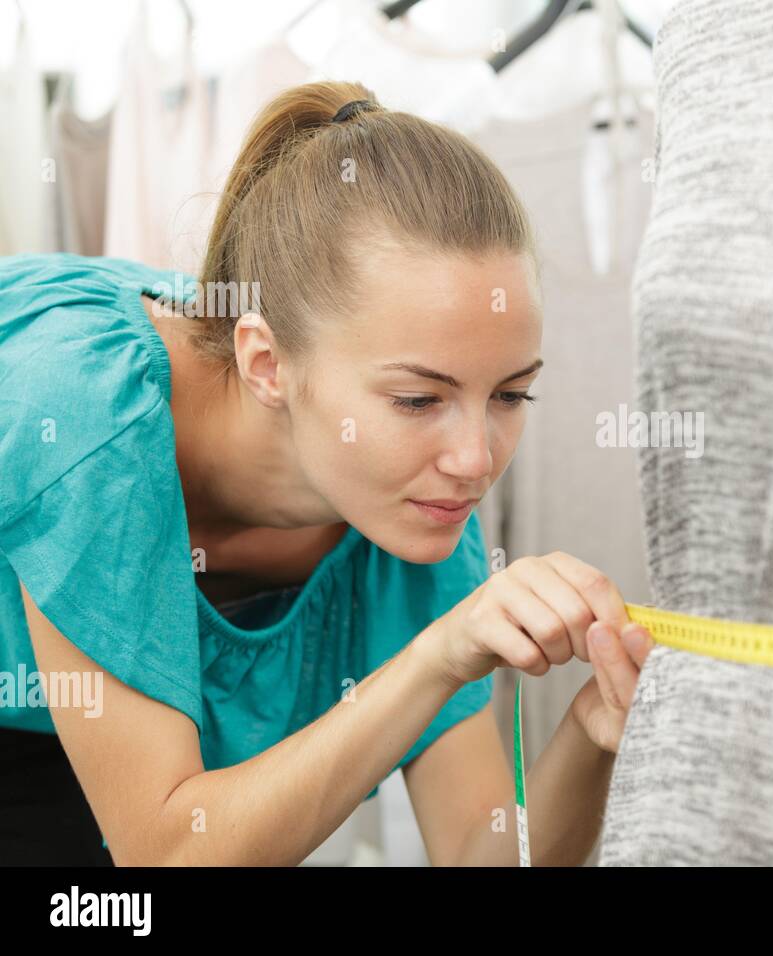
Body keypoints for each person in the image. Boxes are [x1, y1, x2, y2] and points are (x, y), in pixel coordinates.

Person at [0, 81, 653, 866]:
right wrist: (434, 657)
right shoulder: (81, 413)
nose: (476, 461)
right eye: (418, 399)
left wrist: (590, 733)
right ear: (267, 365)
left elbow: (483, 854)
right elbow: (169, 853)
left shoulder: (413, 507)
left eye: (511, 394)